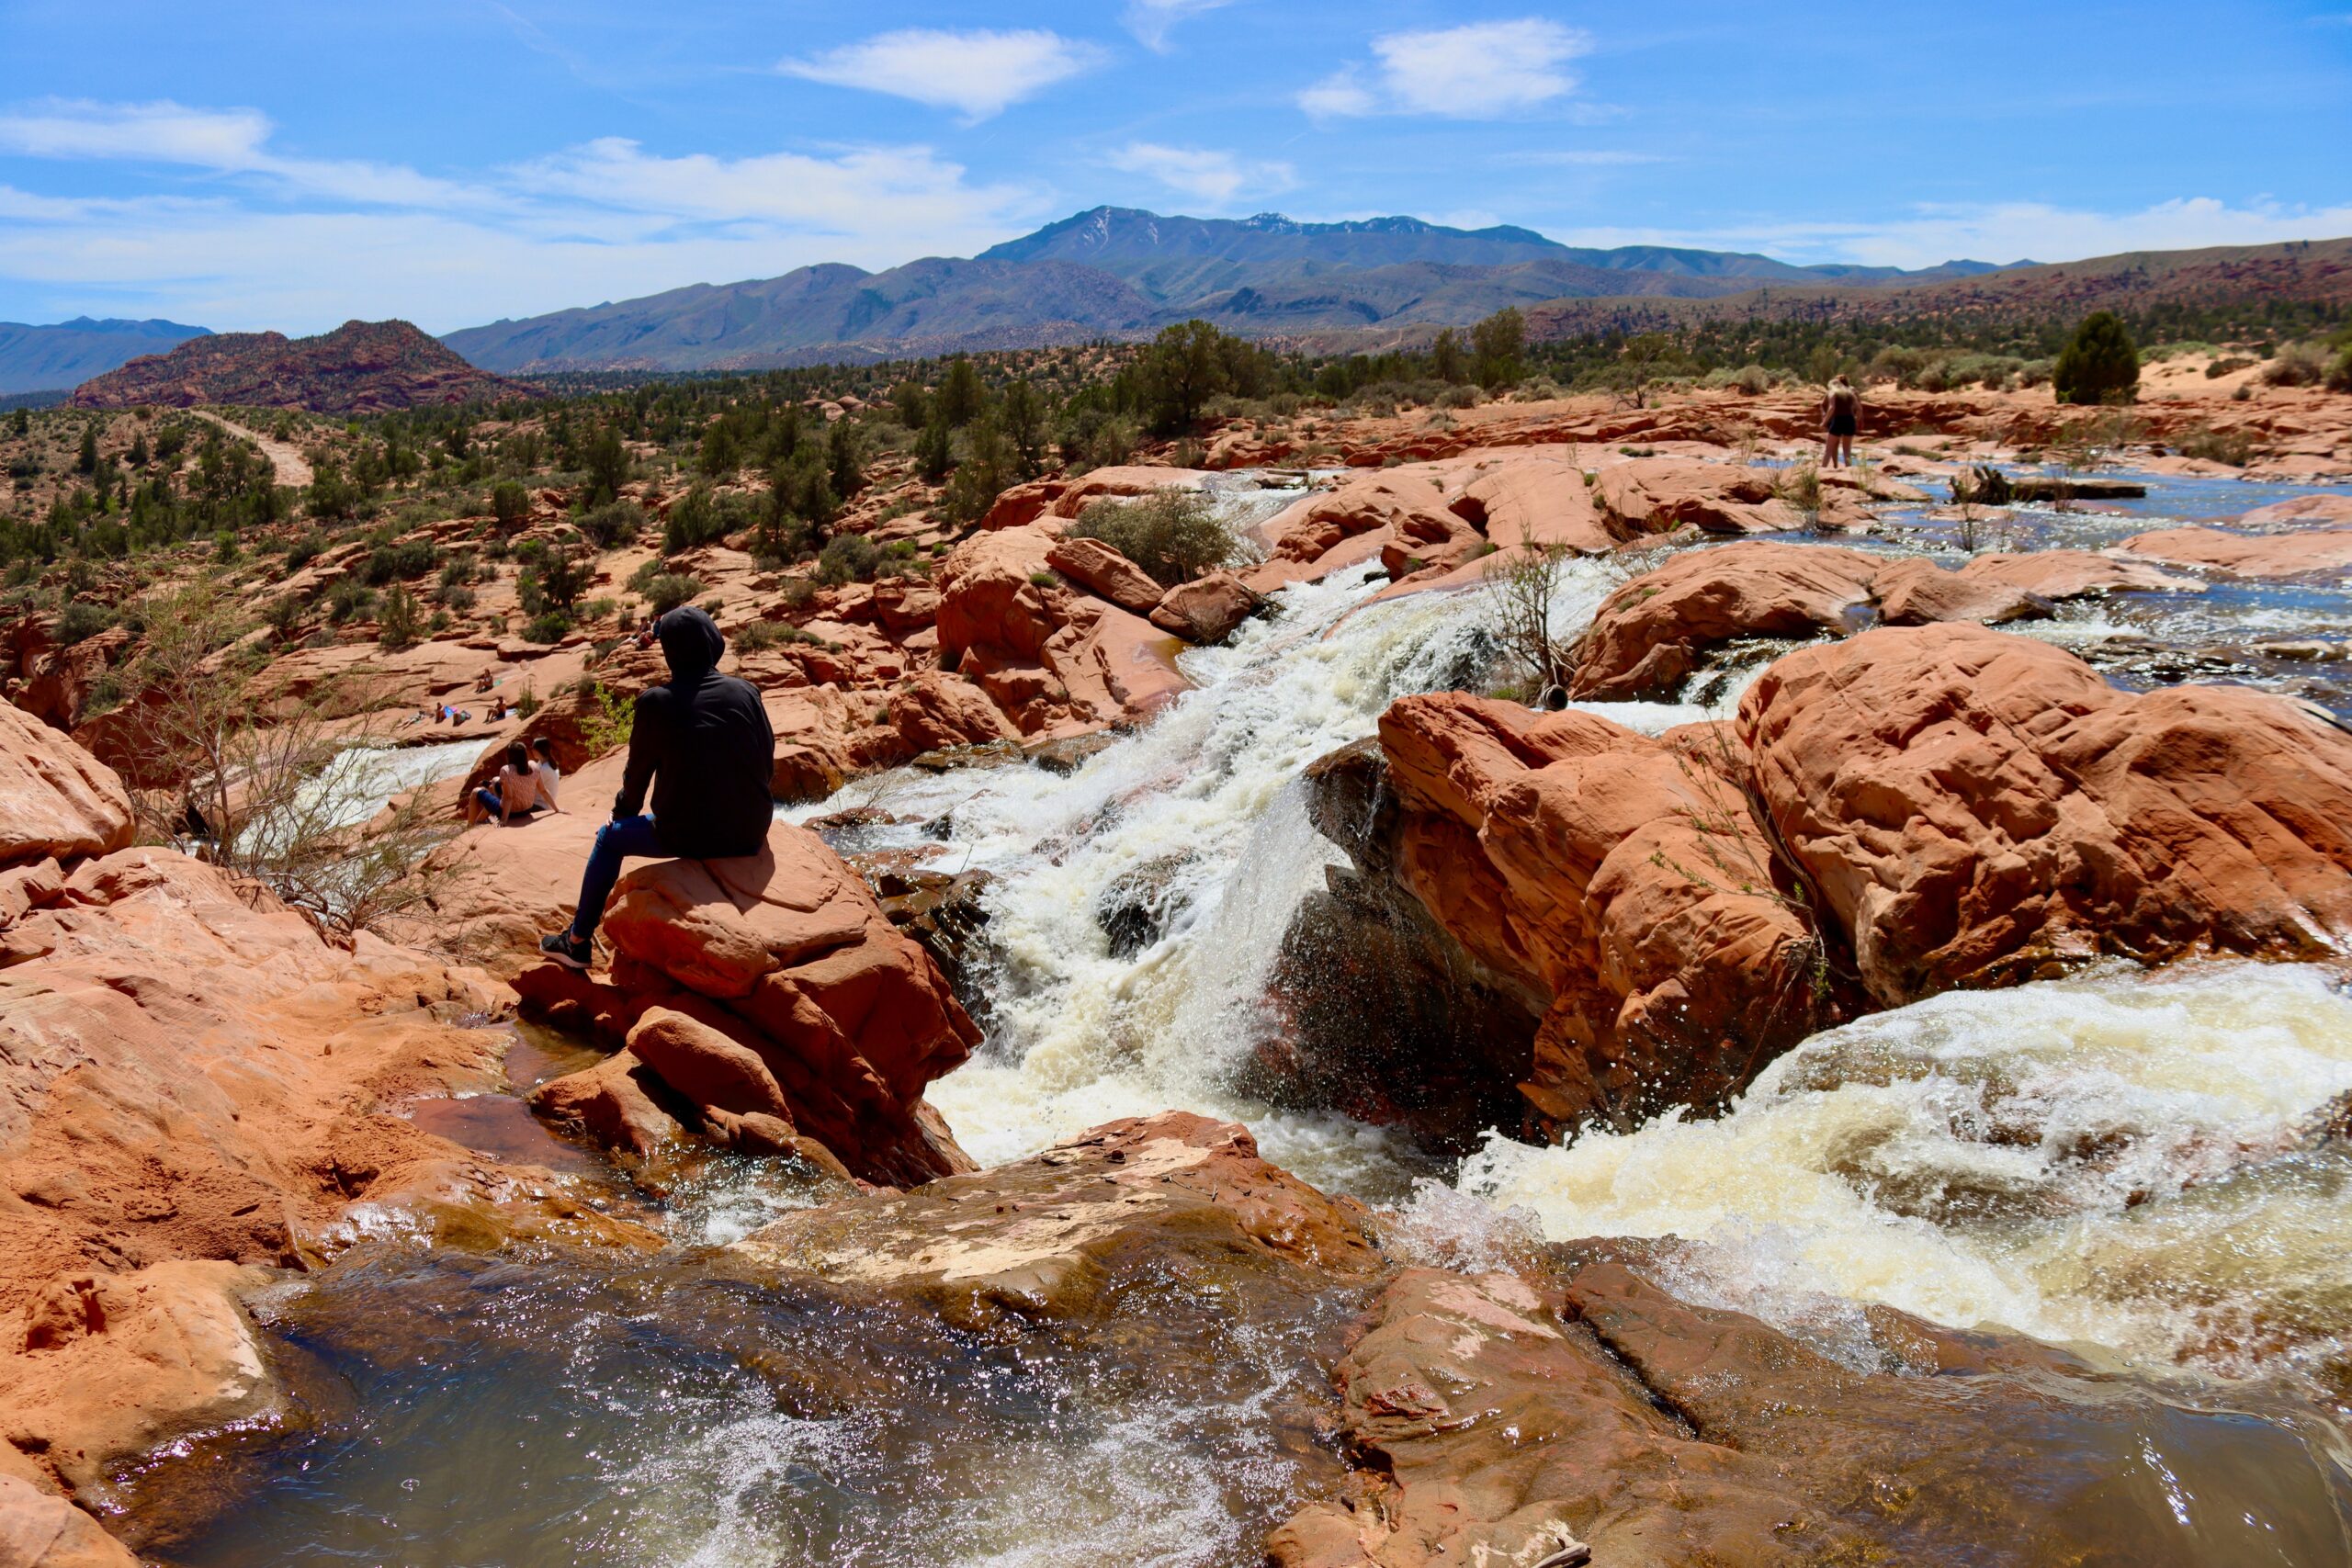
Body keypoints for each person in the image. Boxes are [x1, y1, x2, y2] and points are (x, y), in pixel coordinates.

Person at [538, 606, 775, 969]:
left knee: (608, 839)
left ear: (671, 652)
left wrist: (620, 819)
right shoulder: (747, 692)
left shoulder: (656, 703)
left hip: (685, 834)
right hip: (751, 832)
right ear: (713, 643)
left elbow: (636, 777)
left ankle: (577, 941)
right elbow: (767, 757)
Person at [469, 739, 541, 825]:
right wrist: (556, 809)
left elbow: (508, 797)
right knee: (495, 781)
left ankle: (470, 826)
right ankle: (484, 816)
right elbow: (543, 790)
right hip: (527, 810)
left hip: (511, 813)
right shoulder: (533, 766)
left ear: (510, 755)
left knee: (476, 791)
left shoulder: (506, 770)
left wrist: (503, 820)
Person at [1822, 374, 1860, 468]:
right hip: (1850, 420)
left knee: (1828, 450)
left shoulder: (1833, 393)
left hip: (1838, 420)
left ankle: (1822, 471)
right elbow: (1859, 409)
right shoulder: (1850, 393)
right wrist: (1856, 420)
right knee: (1847, 451)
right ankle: (1850, 473)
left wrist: (1824, 422)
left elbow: (1831, 408)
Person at [530, 735, 563, 814]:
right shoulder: (543, 764)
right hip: (540, 803)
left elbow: (535, 788)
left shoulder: (545, 769)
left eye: (533, 748)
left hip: (540, 805)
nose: (532, 750)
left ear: (538, 750)